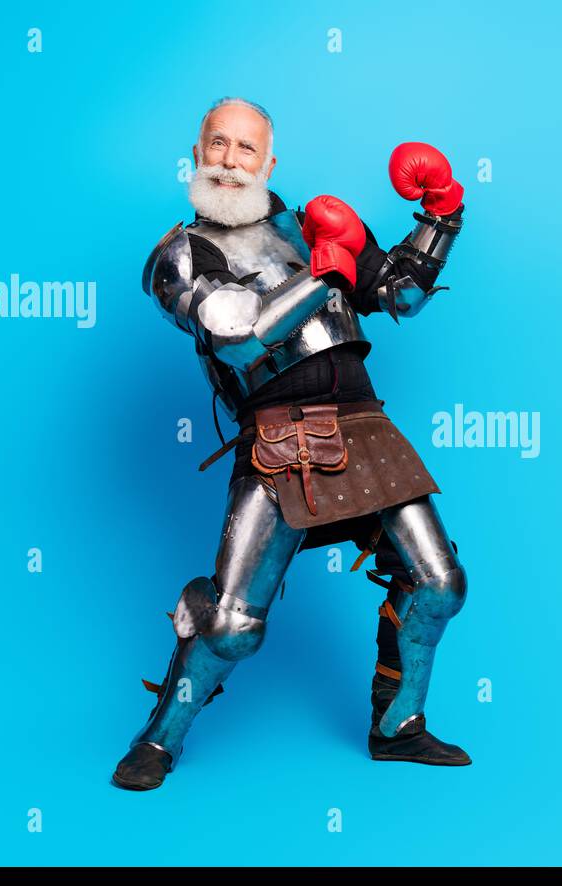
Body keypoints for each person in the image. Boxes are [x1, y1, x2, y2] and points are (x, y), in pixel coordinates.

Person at [112, 97, 470, 791]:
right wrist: (325, 270)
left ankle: (399, 727)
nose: (230, 160)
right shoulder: (178, 254)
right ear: (197, 151)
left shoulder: (313, 223)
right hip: (278, 433)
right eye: (218, 144)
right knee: (230, 624)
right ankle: (158, 740)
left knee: (439, 583)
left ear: (269, 162)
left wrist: (440, 212)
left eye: (246, 149)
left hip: (363, 422)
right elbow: (239, 333)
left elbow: (400, 297)